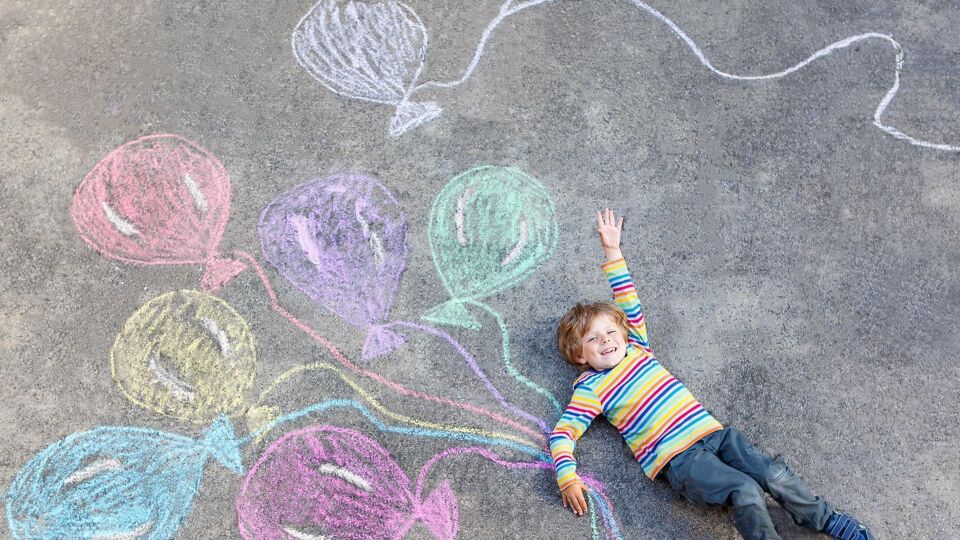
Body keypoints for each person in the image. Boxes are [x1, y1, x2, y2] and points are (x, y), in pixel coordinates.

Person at [549, 208, 874, 540]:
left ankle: (826, 520)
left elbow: (627, 299)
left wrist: (612, 252)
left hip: (715, 434)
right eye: (592, 338)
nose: (606, 340)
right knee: (744, 489)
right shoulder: (591, 388)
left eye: (610, 332)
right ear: (580, 355)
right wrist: (567, 477)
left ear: (625, 334)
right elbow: (563, 433)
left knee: (772, 473)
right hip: (680, 459)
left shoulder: (638, 348)